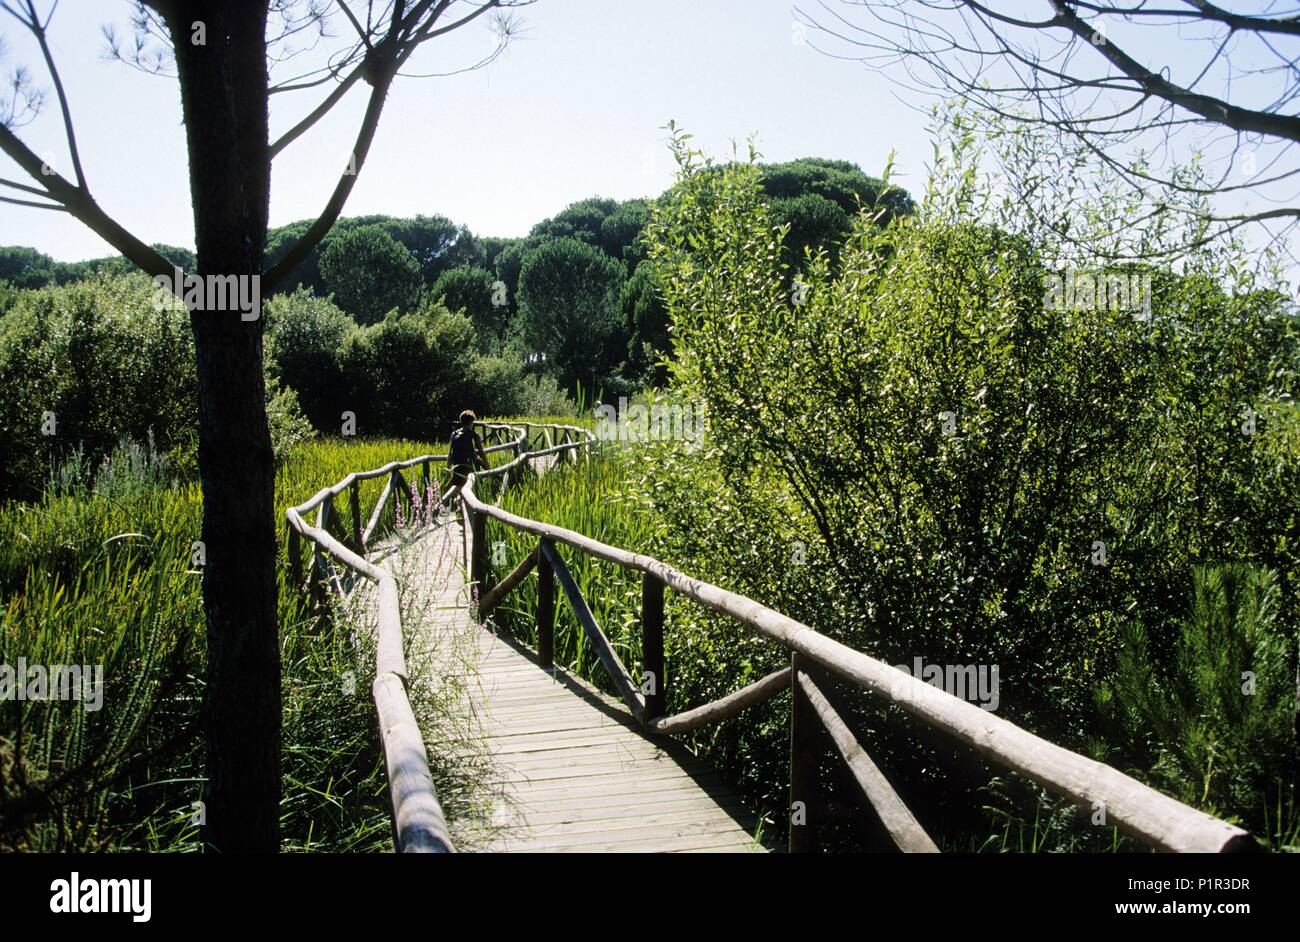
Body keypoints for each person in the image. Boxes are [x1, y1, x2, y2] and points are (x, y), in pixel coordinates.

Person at [442, 409, 488, 511]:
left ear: (461, 421)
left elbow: (450, 454)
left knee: (460, 490)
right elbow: (481, 453)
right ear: (472, 422)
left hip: (457, 467)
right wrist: (488, 467)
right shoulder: (474, 436)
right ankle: (464, 509)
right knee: (470, 491)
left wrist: (448, 469)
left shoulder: (454, 434)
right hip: (471, 468)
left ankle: (460, 507)